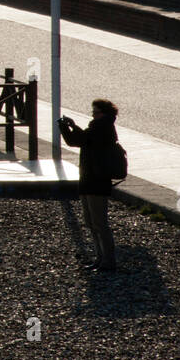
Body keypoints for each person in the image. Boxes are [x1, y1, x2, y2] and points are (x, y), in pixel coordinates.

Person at [58, 100, 121, 272]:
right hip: (89, 180)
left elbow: (79, 140)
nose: (93, 114)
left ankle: (108, 260)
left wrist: (66, 128)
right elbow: (83, 140)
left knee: (99, 223)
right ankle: (100, 258)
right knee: (91, 222)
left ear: (105, 113)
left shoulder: (103, 128)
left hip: (97, 181)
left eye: (96, 112)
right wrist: (71, 126)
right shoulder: (98, 127)